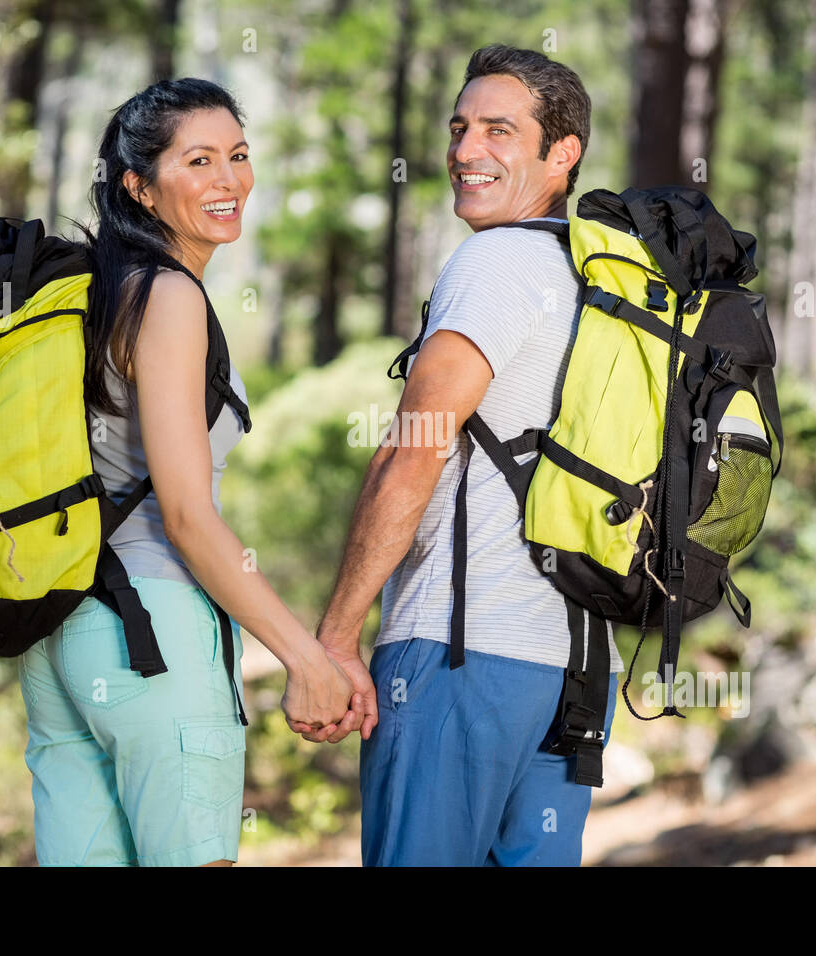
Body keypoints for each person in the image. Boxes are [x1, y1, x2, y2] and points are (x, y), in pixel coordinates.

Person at [19, 78, 358, 867]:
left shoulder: (96, 292)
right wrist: (305, 658)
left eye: (238, 156)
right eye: (198, 160)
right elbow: (186, 517)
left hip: (60, 631)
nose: (228, 180)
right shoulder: (167, 297)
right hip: (150, 634)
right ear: (139, 186)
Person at [296, 45, 621, 866]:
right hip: (578, 673)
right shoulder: (599, 279)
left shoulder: (496, 261)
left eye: (499, 131)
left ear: (562, 153)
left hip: (459, 654)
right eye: (459, 127)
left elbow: (414, 453)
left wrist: (333, 640)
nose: (465, 150)